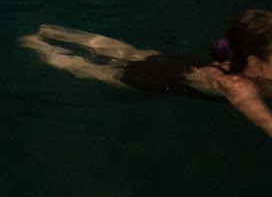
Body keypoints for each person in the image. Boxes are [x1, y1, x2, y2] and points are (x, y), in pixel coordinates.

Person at [20, 11, 272, 136]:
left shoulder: (241, 61)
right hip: (157, 80)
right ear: (256, 64)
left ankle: (51, 31)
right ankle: (34, 42)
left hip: (175, 63)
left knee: (128, 53)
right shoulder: (240, 87)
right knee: (92, 69)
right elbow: (264, 121)